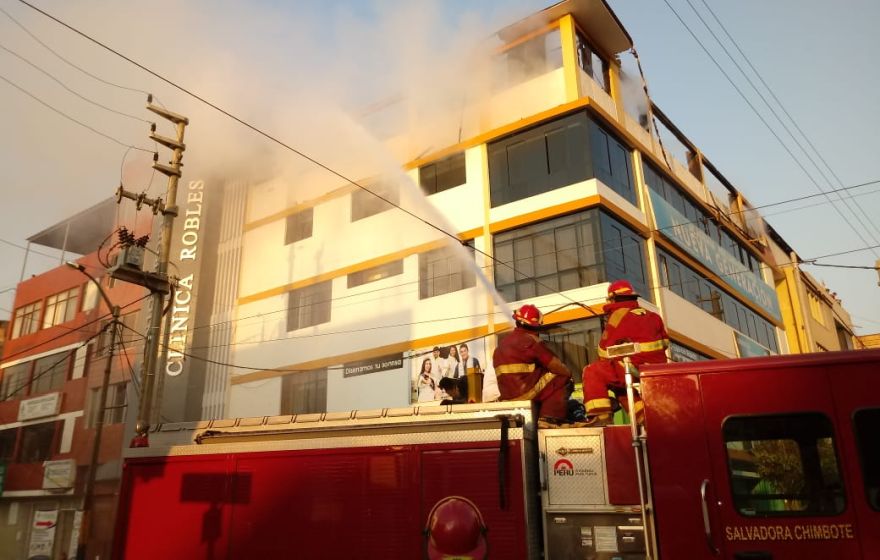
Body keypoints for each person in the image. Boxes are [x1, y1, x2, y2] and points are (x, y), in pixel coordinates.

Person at [582, 280, 669, 425]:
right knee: (620, 385)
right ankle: (643, 418)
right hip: (655, 370)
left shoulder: (617, 316)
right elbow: (665, 343)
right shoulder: (653, 316)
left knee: (593, 371)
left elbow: (603, 351)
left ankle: (600, 417)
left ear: (613, 298)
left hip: (634, 367)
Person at [492, 303, 572, 423]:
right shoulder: (531, 340)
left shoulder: (500, 346)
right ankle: (549, 419)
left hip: (507, 398)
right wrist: (568, 372)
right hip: (526, 393)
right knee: (562, 377)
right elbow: (558, 367)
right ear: (535, 326)